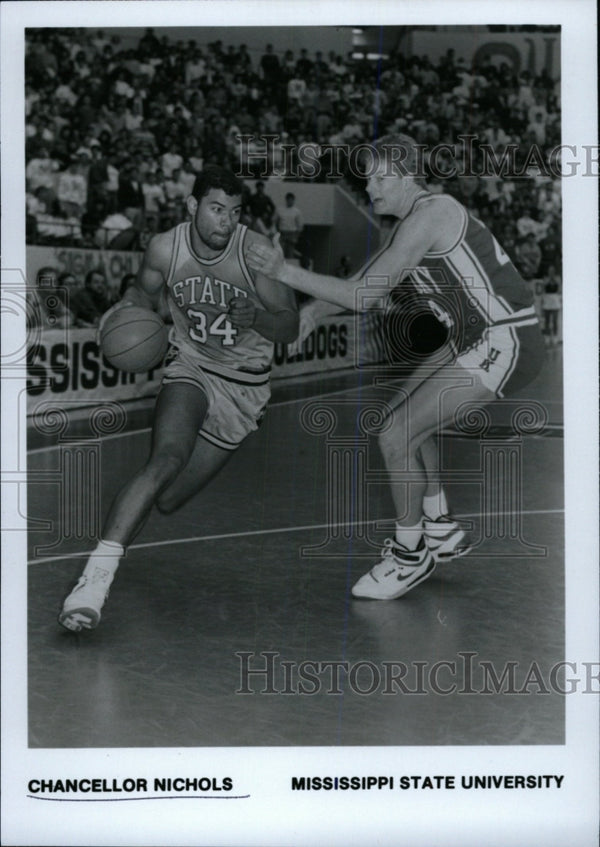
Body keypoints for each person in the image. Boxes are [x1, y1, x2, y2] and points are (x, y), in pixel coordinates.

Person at [247, 133, 545, 601]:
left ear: (408, 176)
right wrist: (313, 311)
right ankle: (439, 524)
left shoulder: (433, 215)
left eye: (382, 177)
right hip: (472, 334)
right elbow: (371, 286)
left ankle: (410, 555)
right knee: (398, 421)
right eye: (367, 179)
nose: (371, 188)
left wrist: (284, 272)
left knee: (395, 436)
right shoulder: (409, 224)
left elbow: (363, 295)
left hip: (505, 335)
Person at [59, 166, 298, 631]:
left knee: (167, 500)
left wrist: (257, 319)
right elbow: (143, 293)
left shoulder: (257, 253)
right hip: (190, 365)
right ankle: (92, 585)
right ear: (191, 206)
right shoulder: (166, 247)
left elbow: (288, 325)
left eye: (234, 212)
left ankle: (114, 549)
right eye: (215, 209)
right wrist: (126, 307)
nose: (225, 222)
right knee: (166, 458)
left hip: (245, 386)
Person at [275, 192, 304, 259]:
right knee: (280, 253)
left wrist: (296, 236)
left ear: (293, 200)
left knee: (290, 254)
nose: (290, 201)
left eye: (291, 200)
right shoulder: (280, 210)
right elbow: (275, 221)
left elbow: (300, 225)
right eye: (289, 200)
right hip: (282, 233)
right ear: (286, 200)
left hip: (292, 234)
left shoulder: (297, 211)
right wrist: (277, 232)